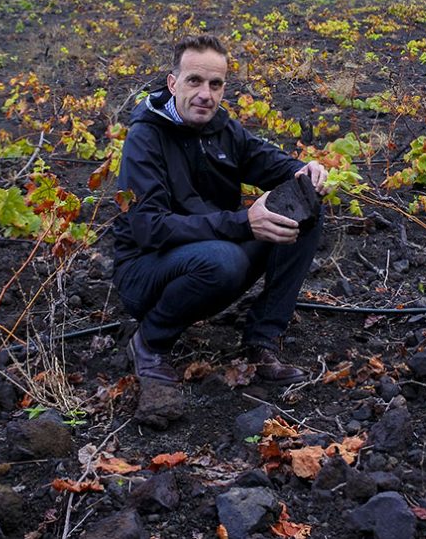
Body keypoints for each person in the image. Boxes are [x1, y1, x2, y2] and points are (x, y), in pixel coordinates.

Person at [112, 35, 328, 385]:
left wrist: (305, 171)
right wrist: (244, 223)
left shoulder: (223, 129)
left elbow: (271, 163)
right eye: (194, 81)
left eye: (215, 84)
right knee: (222, 262)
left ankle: (262, 340)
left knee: (305, 208)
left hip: (210, 249)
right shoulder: (145, 139)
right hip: (145, 270)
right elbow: (149, 228)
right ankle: (149, 341)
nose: (205, 94)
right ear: (173, 83)